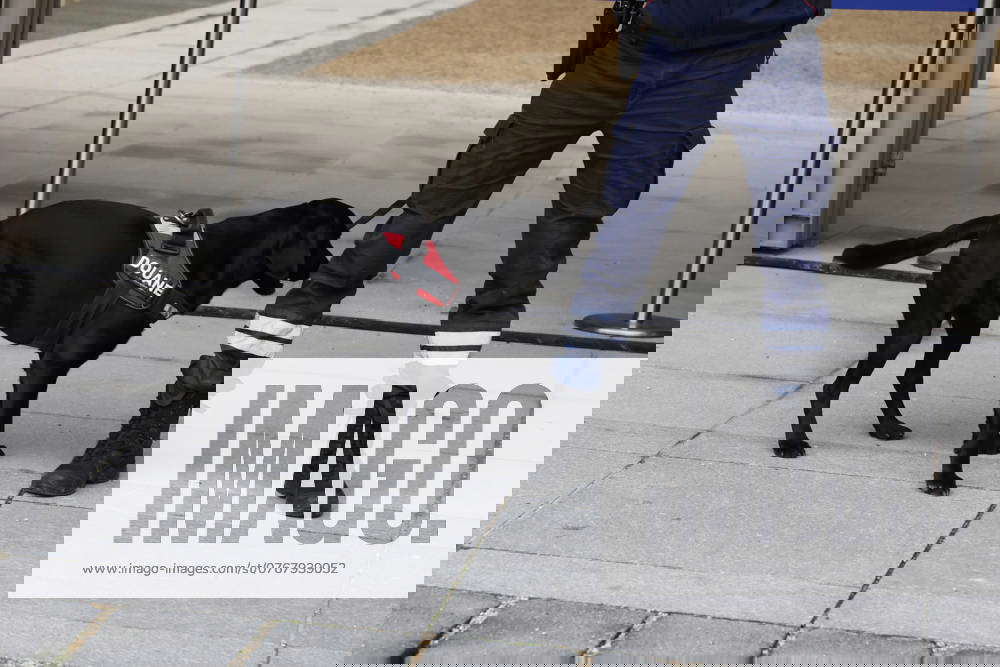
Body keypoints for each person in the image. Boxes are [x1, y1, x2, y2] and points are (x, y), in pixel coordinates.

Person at [24, 0, 831, 498]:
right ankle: (135, 436)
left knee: (495, 297)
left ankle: (343, 455)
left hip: (669, 102)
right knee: (363, 257)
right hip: (614, 72)